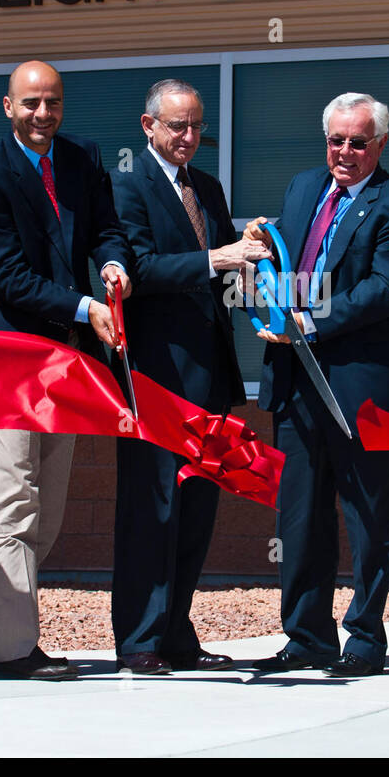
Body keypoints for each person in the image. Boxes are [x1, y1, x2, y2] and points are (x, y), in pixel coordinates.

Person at [245, 92, 389, 677]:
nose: (345, 152)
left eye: (358, 141)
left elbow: (386, 290)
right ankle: (307, 637)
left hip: (364, 389)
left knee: (368, 516)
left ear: (380, 144)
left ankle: (364, 638)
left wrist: (310, 319)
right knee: (299, 516)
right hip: (297, 384)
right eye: (336, 140)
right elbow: (295, 251)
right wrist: (265, 238)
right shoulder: (304, 187)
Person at [0, 60, 133, 680]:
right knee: (11, 502)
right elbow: (7, 278)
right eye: (30, 103)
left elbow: (106, 231)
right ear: (8, 108)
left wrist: (112, 265)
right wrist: (88, 307)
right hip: (8, 361)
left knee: (49, 505)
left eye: (52, 103)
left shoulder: (82, 159)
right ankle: (12, 653)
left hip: (66, 364)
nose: (42, 114)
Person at [108, 79, 270, 675]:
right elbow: (143, 268)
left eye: (197, 126)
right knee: (151, 511)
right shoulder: (126, 189)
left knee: (197, 513)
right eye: (177, 126)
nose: (188, 137)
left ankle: (176, 632)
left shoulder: (208, 187)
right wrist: (221, 256)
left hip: (210, 378)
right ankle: (139, 640)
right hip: (157, 382)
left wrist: (263, 295)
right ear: (148, 126)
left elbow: (228, 278)